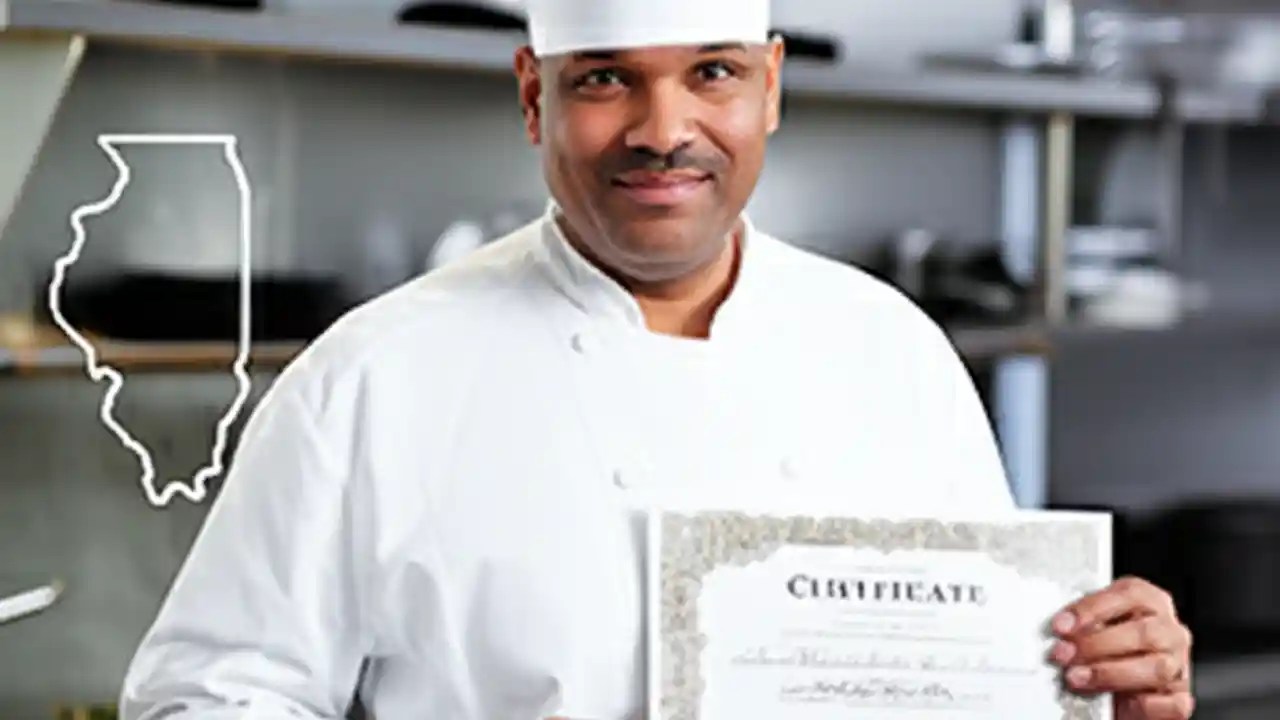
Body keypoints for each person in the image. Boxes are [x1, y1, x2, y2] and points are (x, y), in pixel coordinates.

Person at [119, 0, 1194, 717]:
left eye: (711, 74)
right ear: (533, 94)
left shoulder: (893, 351)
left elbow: (989, 685)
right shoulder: (371, 378)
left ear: (770, 86)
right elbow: (209, 697)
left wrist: (1104, 679)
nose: (661, 128)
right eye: (605, 82)